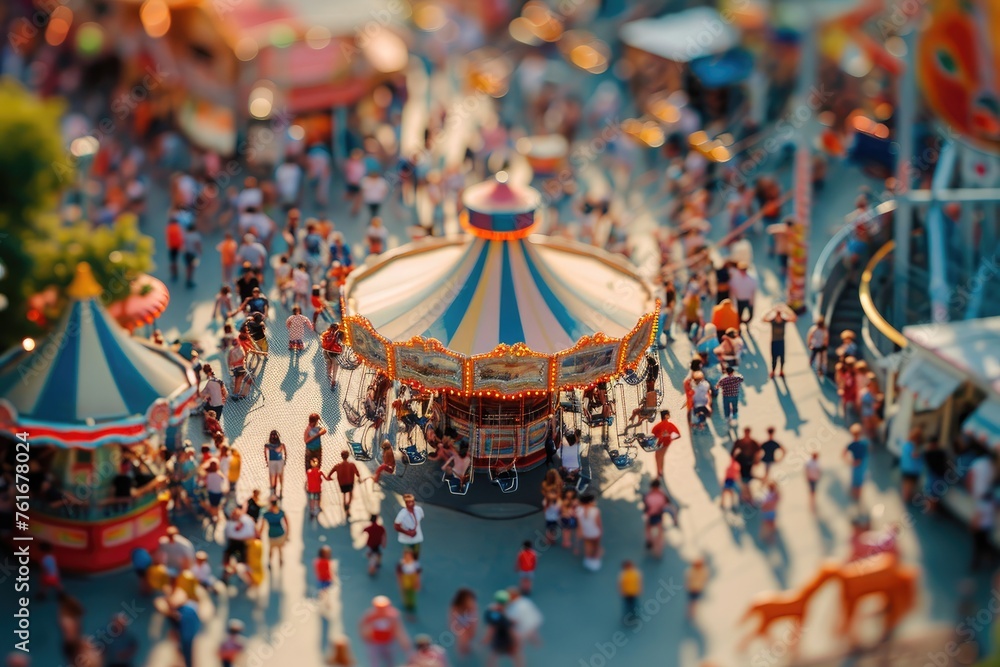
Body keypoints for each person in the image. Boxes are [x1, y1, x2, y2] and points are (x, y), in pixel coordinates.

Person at [359, 596, 410, 667]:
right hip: (374, 643)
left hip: (388, 642)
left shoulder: (392, 616)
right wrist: (370, 629)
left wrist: (406, 647)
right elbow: (363, 629)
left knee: (390, 660)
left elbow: (399, 631)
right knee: (375, 661)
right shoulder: (370, 616)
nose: (381, 610)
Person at [483, 591, 522, 667]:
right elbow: (492, 627)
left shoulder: (506, 611)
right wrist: (486, 639)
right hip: (499, 637)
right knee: (494, 655)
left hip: (505, 637)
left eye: (503, 603)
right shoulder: (492, 613)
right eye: (500, 602)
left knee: (515, 655)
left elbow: (511, 624)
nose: (501, 605)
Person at [221, 505, 256, 583]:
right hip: (233, 543)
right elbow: (227, 533)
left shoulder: (247, 520)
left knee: (243, 562)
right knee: (228, 559)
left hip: (243, 543)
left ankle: (249, 578)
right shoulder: (231, 522)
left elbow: (251, 533)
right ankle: (226, 575)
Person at [643, 479, 675, 558]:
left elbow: (646, 507)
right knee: (659, 535)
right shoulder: (662, 495)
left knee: (648, 529)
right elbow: (668, 506)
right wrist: (674, 518)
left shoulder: (648, 495)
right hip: (659, 516)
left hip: (651, 515)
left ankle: (649, 541)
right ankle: (658, 551)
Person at [731, 428, 761, 502]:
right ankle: (745, 497)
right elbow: (733, 452)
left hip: (749, 463)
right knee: (744, 481)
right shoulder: (740, 441)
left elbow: (758, 451)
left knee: (747, 481)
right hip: (741, 462)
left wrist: (757, 460)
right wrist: (734, 461)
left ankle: (748, 497)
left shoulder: (753, 442)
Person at [328, 450, 361, 515]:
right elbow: (357, 473)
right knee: (350, 494)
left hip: (342, 484)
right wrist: (359, 478)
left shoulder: (337, 466)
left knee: (344, 495)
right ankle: (348, 505)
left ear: (341, 456)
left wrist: (330, 478)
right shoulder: (352, 465)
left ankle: (345, 507)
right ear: (348, 456)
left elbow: (329, 475)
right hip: (350, 482)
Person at [651, 410, 681, 478]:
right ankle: (660, 470)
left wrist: (666, 436)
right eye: (668, 414)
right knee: (659, 456)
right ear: (666, 416)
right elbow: (678, 435)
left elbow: (653, 432)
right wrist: (670, 437)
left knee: (659, 456)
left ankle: (659, 471)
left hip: (662, 443)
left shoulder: (661, 425)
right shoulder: (668, 425)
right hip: (663, 443)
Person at [843, 423, 869, 503]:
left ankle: (855, 496)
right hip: (862, 463)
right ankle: (858, 496)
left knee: (855, 481)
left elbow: (843, 454)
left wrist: (850, 462)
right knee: (860, 481)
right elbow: (867, 453)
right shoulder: (864, 443)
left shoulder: (852, 445)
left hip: (856, 464)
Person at [577, 493, 603, 572]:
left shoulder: (579, 511)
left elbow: (579, 525)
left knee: (587, 546)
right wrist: (601, 531)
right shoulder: (596, 510)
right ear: (589, 502)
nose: (595, 502)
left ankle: (588, 561)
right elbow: (598, 523)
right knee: (596, 547)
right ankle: (595, 562)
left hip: (586, 533)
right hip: (595, 533)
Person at [449, 589, 479, 657]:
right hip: (461, 625)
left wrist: (472, 631)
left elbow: (474, 621)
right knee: (462, 640)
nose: (470, 602)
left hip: (467, 624)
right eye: (468, 599)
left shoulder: (472, 607)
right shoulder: (456, 607)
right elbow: (452, 620)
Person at [394, 493, 425, 558]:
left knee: (416, 556)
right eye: (409, 502)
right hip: (407, 540)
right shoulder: (402, 514)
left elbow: (421, 518)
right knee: (408, 558)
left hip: (417, 539)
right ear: (406, 503)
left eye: (412, 501)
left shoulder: (419, 510)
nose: (411, 503)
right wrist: (407, 532)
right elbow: (396, 526)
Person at [923, 436, 949, 513]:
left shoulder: (934, 452)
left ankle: (930, 509)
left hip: (936, 475)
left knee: (932, 494)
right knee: (932, 494)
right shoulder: (939, 452)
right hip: (936, 474)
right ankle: (930, 509)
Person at [900, 427, 924, 504]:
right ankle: (907, 500)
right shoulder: (912, 446)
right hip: (911, 470)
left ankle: (907, 498)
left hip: (908, 469)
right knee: (908, 487)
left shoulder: (906, 444)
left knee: (908, 487)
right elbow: (915, 455)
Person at [396, 548, 422, 616]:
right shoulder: (402, 564)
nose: (408, 557)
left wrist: (417, 582)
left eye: (409, 555)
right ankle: (406, 604)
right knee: (405, 592)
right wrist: (400, 582)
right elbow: (399, 574)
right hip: (405, 579)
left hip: (413, 579)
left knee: (412, 592)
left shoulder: (415, 564)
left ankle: (411, 604)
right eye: (406, 555)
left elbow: (417, 574)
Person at [321, 323, 345, 390]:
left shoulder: (327, 333)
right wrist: (342, 353)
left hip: (327, 352)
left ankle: (329, 374)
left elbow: (323, 342)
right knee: (335, 368)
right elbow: (342, 345)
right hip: (335, 353)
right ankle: (333, 382)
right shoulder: (340, 334)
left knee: (329, 363)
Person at [264, 430, 287, 497]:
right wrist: (267, 461)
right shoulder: (268, 445)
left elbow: (284, 452)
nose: (274, 436)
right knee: (273, 476)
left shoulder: (280, 445)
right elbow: (265, 453)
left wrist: (285, 460)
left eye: (275, 435)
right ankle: (274, 490)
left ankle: (280, 490)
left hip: (278, 461)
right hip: (273, 461)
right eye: (272, 435)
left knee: (279, 476)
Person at [181, 222, 202, 288]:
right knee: (192, 267)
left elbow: (182, 243)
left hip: (186, 253)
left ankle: (188, 279)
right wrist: (200, 252)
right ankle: (190, 280)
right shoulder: (196, 236)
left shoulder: (185, 235)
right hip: (193, 254)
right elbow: (198, 245)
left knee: (187, 267)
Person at [769, 310, 788, 378]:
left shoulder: (783, 321)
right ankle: (773, 371)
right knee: (774, 358)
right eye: (777, 316)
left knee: (782, 358)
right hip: (774, 342)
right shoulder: (773, 321)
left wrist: (786, 309)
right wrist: (770, 311)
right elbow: (764, 319)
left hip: (781, 341)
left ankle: (781, 371)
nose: (778, 318)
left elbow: (794, 318)